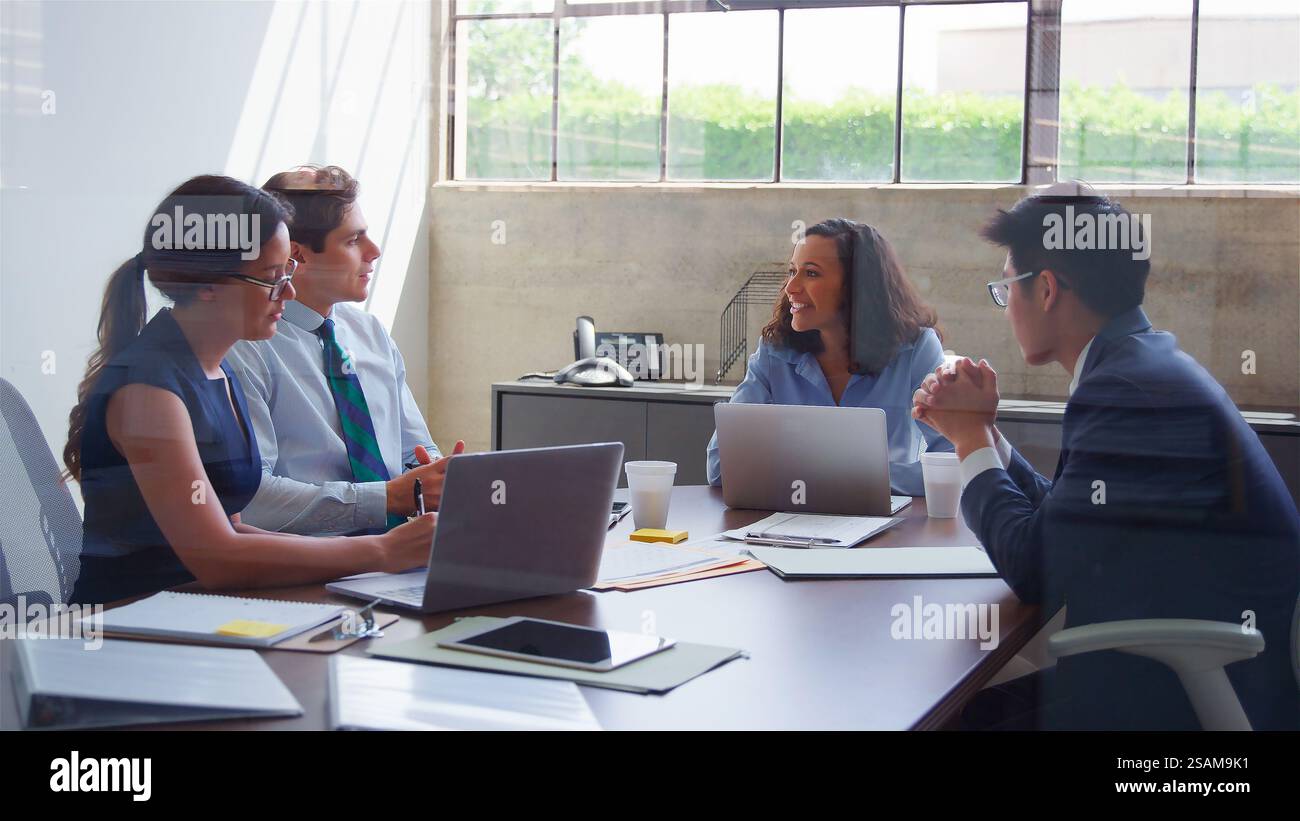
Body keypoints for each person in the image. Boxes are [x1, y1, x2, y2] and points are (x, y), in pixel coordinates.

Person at [912, 188, 1300, 730]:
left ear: (1045, 288)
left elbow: (1035, 569)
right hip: (1196, 677)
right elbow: (1065, 524)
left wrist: (969, 437)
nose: (1006, 307)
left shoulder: (1125, 389)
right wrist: (987, 435)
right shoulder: (1139, 365)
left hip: (1185, 705)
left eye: (1006, 287)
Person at [64, 175, 433, 605]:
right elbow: (216, 557)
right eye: (272, 277)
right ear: (208, 286)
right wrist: (382, 551)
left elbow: (235, 528)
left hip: (198, 608)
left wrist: (379, 557)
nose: (289, 292)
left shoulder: (216, 370)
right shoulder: (148, 394)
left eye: (288, 273)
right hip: (134, 620)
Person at [227, 165, 462, 536]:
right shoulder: (242, 348)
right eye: (354, 241)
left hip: (398, 550)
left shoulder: (370, 332)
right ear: (297, 256)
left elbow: (412, 455)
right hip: (305, 562)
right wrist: (386, 498)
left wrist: (439, 475)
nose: (374, 251)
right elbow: (253, 500)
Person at [706, 218, 952, 496]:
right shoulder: (775, 351)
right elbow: (720, 466)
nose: (791, 287)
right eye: (792, 271)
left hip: (888, 526)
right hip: (791, 521)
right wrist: (851, 477)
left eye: (811, 274)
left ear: (857, 286)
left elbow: (952, 463)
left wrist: (823, 476)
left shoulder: (915, 348)